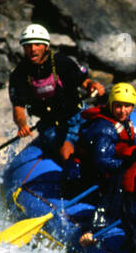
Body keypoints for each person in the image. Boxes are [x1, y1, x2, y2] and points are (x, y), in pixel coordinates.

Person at [8, 23, 105, 160]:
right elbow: (18, 108)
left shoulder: (62, 62)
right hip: (51, 125)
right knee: (67, 155)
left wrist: (93, 86)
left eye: (37, 45)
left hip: (77, 114)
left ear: (46, 46)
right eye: (28, 45)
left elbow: (85, 82)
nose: (32, 49)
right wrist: (22, 125)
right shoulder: (19, 75)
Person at [75, 82, 136, 196]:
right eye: (118, 106)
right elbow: (102, 161)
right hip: (88, 177)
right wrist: (128, 164)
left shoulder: (123, 120)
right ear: (111, 105)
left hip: (106, 170)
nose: (122, 110)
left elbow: (133, 140)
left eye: (127, 106)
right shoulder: (105, 129)